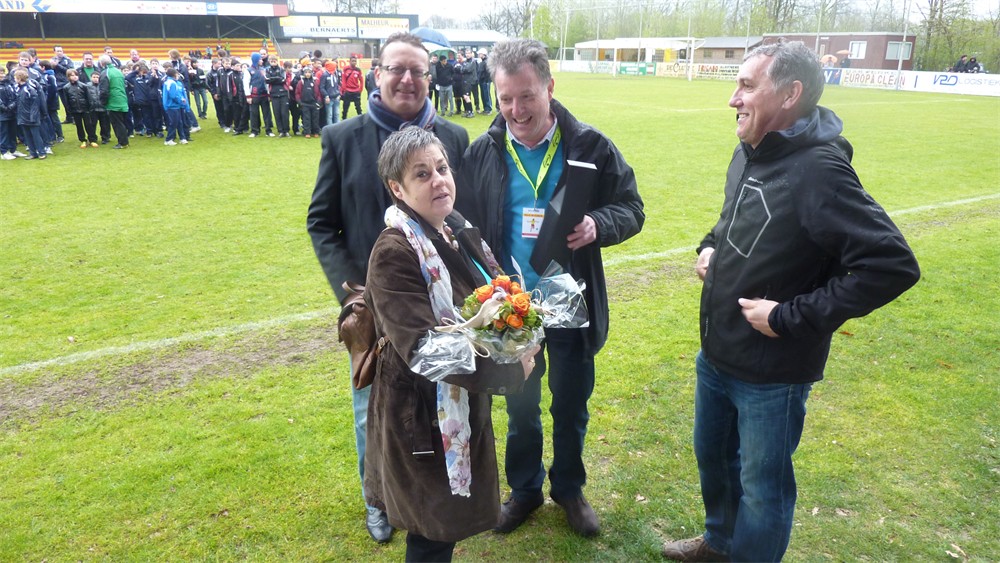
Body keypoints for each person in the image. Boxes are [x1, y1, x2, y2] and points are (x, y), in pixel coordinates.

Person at [661, 40, 920, 562]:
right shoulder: (751, 150)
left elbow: (891, 265)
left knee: (764, 490)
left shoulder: (819, 171)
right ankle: (720, 543)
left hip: (772, 376)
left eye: (748, 85)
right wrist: (709, 245)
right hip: (717, 354)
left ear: (790, 94)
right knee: (714, 460)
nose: (734, 98)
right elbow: (734, 220)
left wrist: (788, 316)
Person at [456, 38, 645, 538]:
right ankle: (524, 490)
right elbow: (465, 226)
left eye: (527, 96)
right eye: (505, 99)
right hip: (514, 309)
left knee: (570, 402)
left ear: (549, 88)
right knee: (520, 407)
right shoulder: (483, 152)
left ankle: (569, 488)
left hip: (572, 304)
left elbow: (632, 208)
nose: (516, 110)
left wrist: (599, 226)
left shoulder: (590, 147)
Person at [307, 31, 470, 546]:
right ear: (377, 75)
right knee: (372, 414)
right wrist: (352, 294)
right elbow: (321, 223)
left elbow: (460, 219)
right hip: (374, 316)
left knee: (442, 407)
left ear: (429, 77)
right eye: (396, 69)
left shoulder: (454, 138)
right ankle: (377, 500)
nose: (406, 79)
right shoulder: (341, 137)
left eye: (417, 71)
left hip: (444, 311)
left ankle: (442, 496)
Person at [365, 126, 536, 562]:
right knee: (432, 529)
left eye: (442, 168)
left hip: (458, 402)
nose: (439, 180)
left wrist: (519, 319)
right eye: (422, 175)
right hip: (422, 415)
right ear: (397, 188)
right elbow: (425, 350)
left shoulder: (454, 225)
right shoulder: (395, 251)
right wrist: (510, 370)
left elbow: (496, 284)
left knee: (445, 522)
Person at [98, 54, 129, 149]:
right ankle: (125, 141)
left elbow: (104, 90)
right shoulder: (118, 71)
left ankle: (122, 142)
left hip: (113, 101)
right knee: (121, 122)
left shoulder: (105, 73)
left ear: (101, 63)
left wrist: (103, 102)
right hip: (122, 99)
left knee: (117, 123)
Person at [62, 69, 94, 148]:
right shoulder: (66, 87)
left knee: (88, 125)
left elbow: (89, 98)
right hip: (75, 110)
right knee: (79, 126)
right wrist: (69, 110)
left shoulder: (83, 86)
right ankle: (83, 140)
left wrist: (90, 107)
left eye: (76, 75)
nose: (75, 77)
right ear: (68, 77)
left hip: (85, 108)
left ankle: (92, 139)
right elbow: (66, 100)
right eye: (72, 75)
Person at [161, 67, 191, 146]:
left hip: (172, 106)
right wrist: (181, 100)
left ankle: (182, 138)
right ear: (174, 74)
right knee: (174, 123)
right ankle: (168, 139)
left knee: (179, 122)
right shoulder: (172, 83)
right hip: (172, 106)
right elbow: (173, 95)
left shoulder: (168, 82)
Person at [340, 55, 363, 119]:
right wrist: (343, 90)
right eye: (352, 61)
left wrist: (360, 90)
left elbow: (361, 81)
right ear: (349, 61)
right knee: (345, 108)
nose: (354, 62)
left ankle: (361, 120)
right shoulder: (345, 69)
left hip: (356, 91)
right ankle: (343, 120)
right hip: (348, 91)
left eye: (355, 61)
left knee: (358, 107)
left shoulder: (358, 70)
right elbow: (343, 80)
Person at [478, 50, 492, 115]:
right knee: (483, 95)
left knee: (486, 96)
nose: (479, 55)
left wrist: (486, 80)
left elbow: (487, 72)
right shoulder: (482, 62)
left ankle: (489, 109)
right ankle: (485, 109)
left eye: (480, 54)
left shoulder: (486, 62)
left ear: (483, 54)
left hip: (485, 81)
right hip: (482, 81)